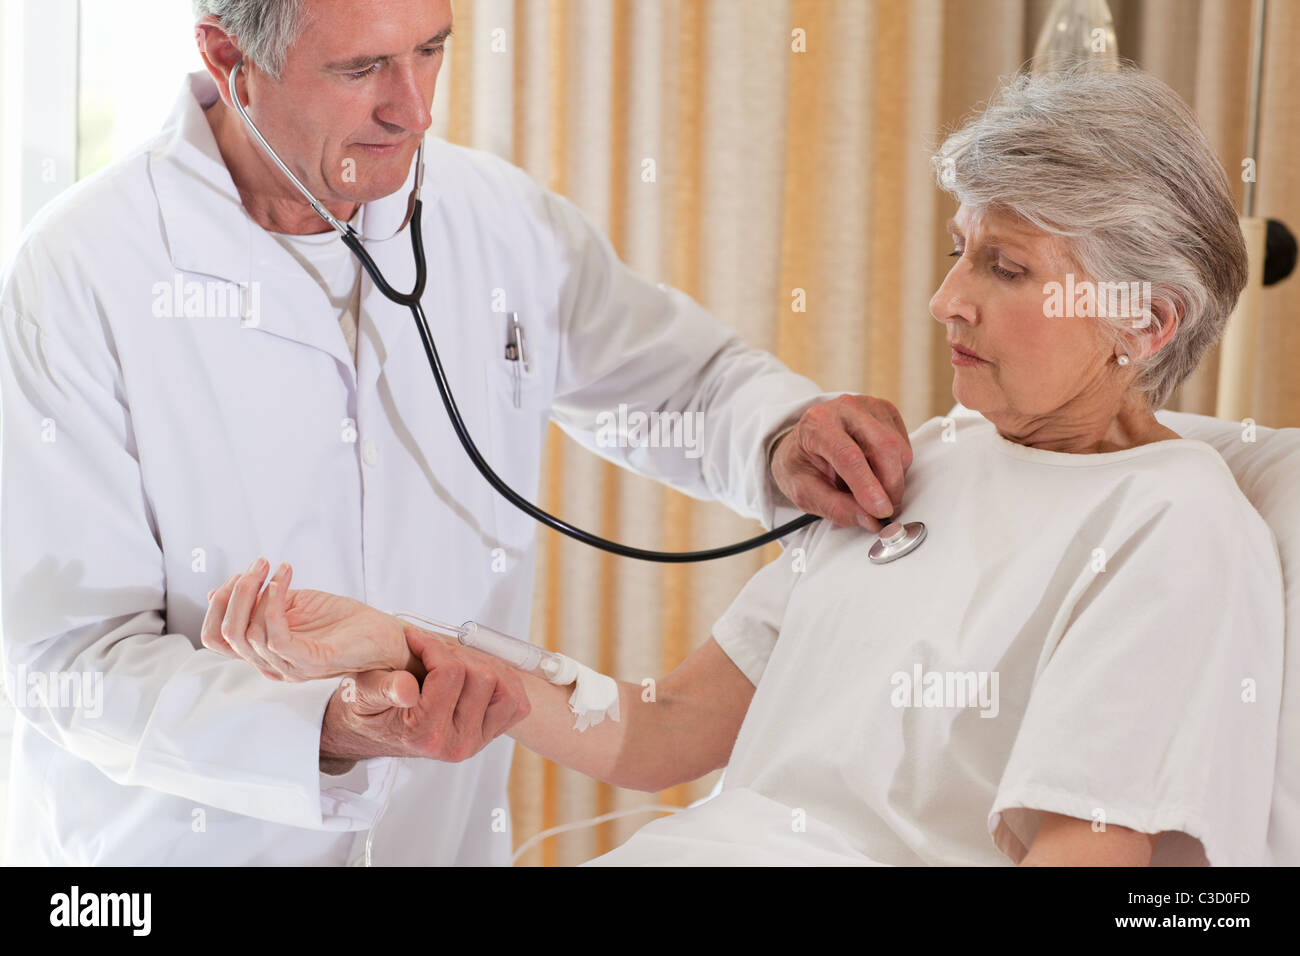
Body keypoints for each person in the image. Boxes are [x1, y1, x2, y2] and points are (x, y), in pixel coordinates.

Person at [209, 64, 1285, 866]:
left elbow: (1084, 856)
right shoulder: (933, 458)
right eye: (959, 248)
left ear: (1142, 319)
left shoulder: (1172, 528)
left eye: (1005, 266)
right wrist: (405, 639)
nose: (946, 299)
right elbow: (656, 728)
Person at [0, 0, 913, 865]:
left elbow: (690, 381)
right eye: (361, 68)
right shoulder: (82, 274)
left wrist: (783, 436)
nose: (412, 109)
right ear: (229, 59)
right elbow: (72, 663)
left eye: (431, 49)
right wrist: (326, 728)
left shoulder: (495, 219)